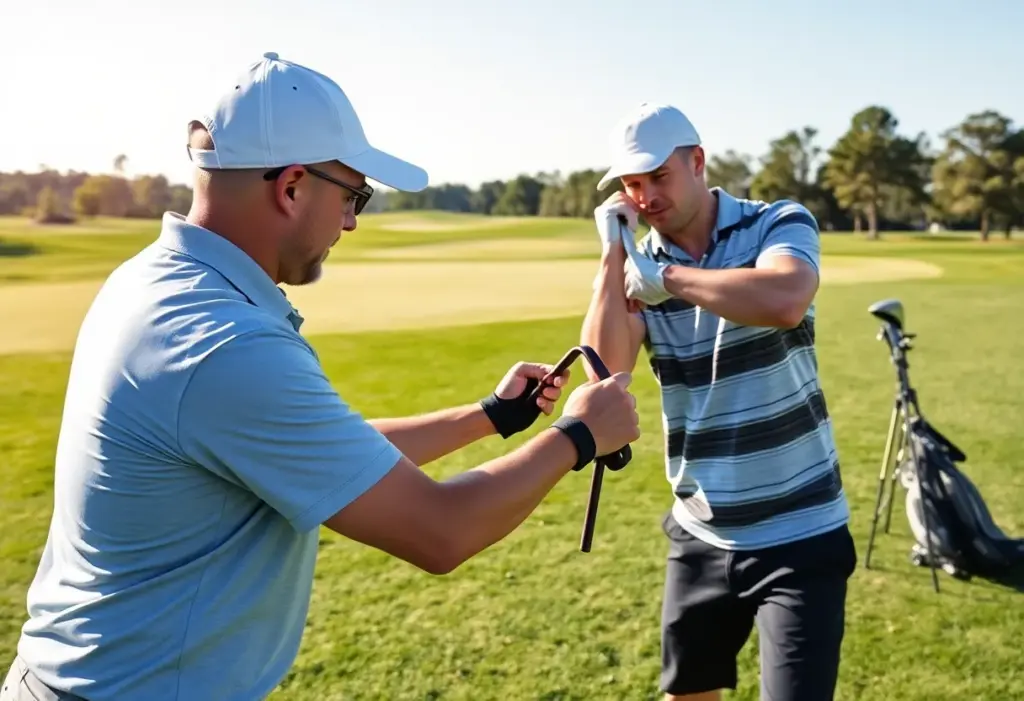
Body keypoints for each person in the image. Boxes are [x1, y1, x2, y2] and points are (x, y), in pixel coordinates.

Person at [1, 53, 641, 701]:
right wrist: (579, 435)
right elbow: (441, 530)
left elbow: (326, 454)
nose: (352, 221)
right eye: (353, 196)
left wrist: (490, 416)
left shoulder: (155, 281)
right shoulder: (225, 341)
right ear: (292, 187)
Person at [580, 102, 857, 701]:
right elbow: (605, 372)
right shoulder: (638, 264)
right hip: (701, 529)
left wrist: (668, 280)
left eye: (659, 176)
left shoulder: (776, 221)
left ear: (698, 161)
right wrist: (613, 256)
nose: (646, 196)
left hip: (801, 531)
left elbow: (785, 298)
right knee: (688, 696)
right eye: (632, 184)